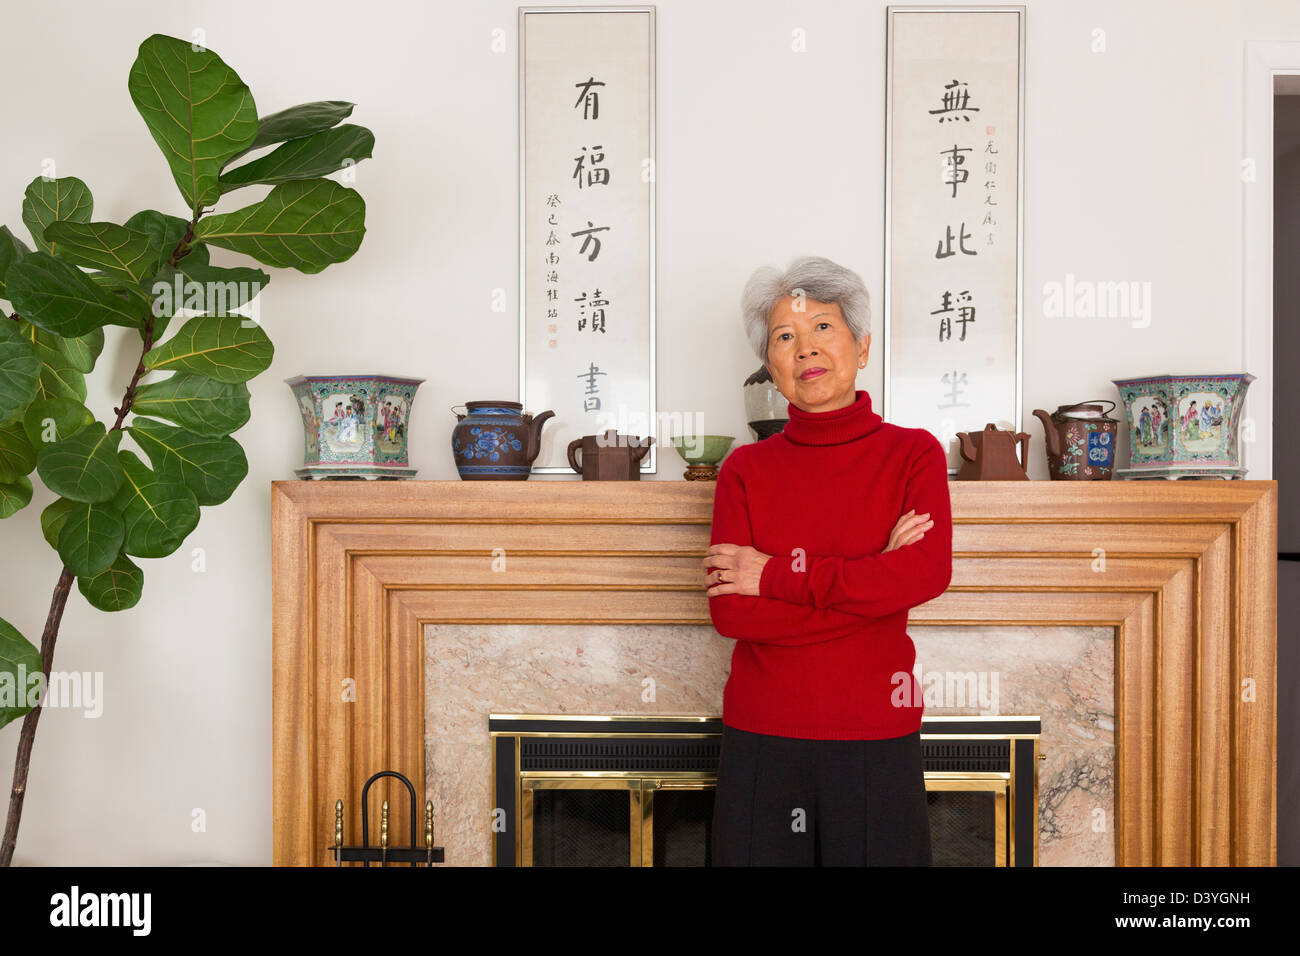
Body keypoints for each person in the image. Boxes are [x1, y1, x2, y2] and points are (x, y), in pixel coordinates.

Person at [704, 255, 953, 866]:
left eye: (823, 328)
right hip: (763, 735)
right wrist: (873, 587)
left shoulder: (913, 454)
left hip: (876, 736)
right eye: (785, 337)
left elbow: (925, 574)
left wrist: (775, 575)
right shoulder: (743, 469)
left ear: (861, 347)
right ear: (772, 366)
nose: (805, 349)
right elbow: (734, 617)